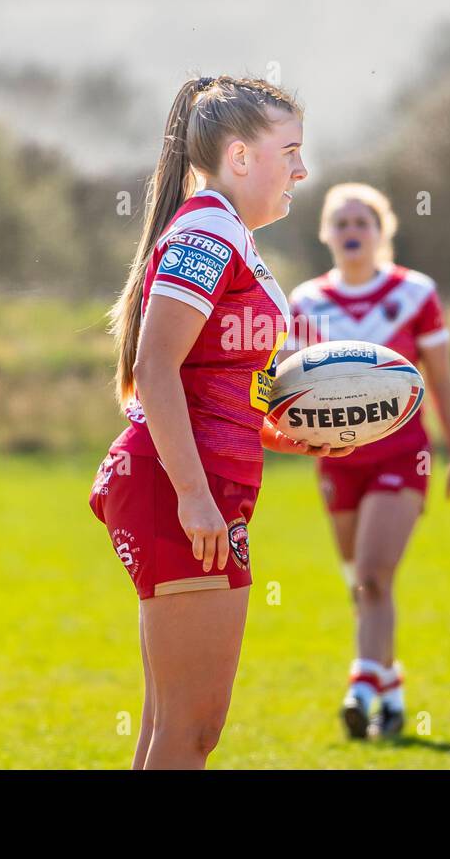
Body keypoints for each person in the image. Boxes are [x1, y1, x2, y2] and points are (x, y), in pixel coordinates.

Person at [89, 75, 348, 770]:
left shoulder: (227, 231)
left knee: (174, 724)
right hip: (178, 490)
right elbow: (155, 367)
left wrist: (284, 427)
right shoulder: (208, 227)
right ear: (238, 157)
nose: (301, 169)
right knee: (193, 726)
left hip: (195, 487)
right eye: (289, 151)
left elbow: (213, 386)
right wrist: (196, 497)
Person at [287, 182, 450, 740]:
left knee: (372, 573)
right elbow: (290, 390)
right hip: (336, 461)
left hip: (402, 455)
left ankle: (361, 685)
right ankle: (390, 693)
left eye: (361, 223)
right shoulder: (305, 302)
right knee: (362, 584)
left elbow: (439, 379)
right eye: (339, 223)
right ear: (326, 234)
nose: (350, 231)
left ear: (381, 233)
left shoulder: (415, 293)